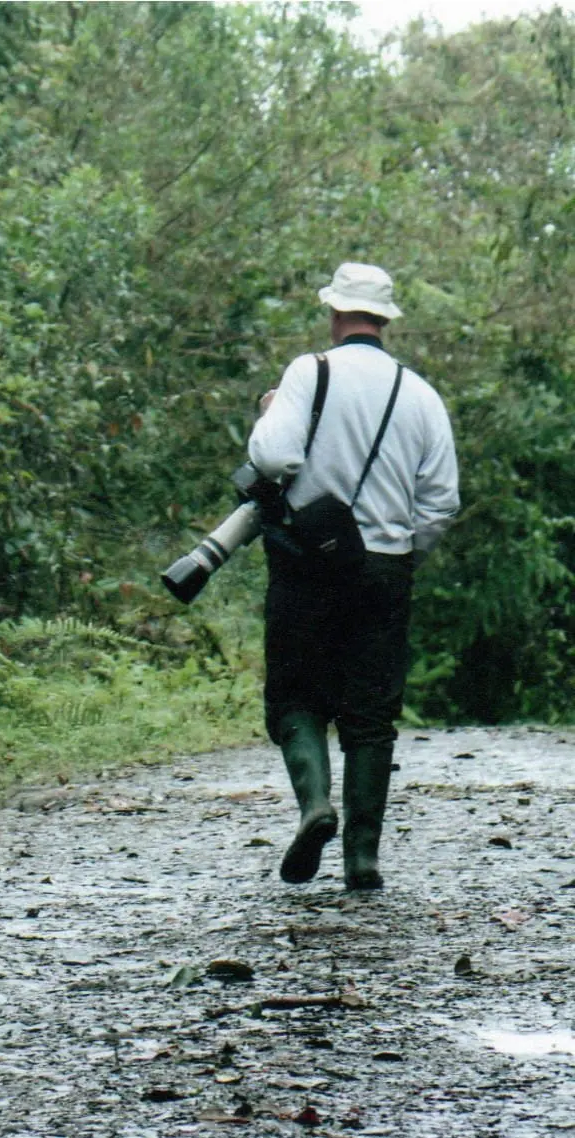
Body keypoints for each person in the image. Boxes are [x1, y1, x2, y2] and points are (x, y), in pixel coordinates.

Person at [247, 262, 459, 891]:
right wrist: (399, 555)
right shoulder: (420, 394)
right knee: (370, 716)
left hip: (307, 563)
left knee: (296, 697)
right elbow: (441, 501)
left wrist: (267, 414)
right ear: (386, 320)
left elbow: (274, 455)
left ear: (335, 314)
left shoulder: (308, 373)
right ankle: (362, 858)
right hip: (385, 569)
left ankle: (316, 808)